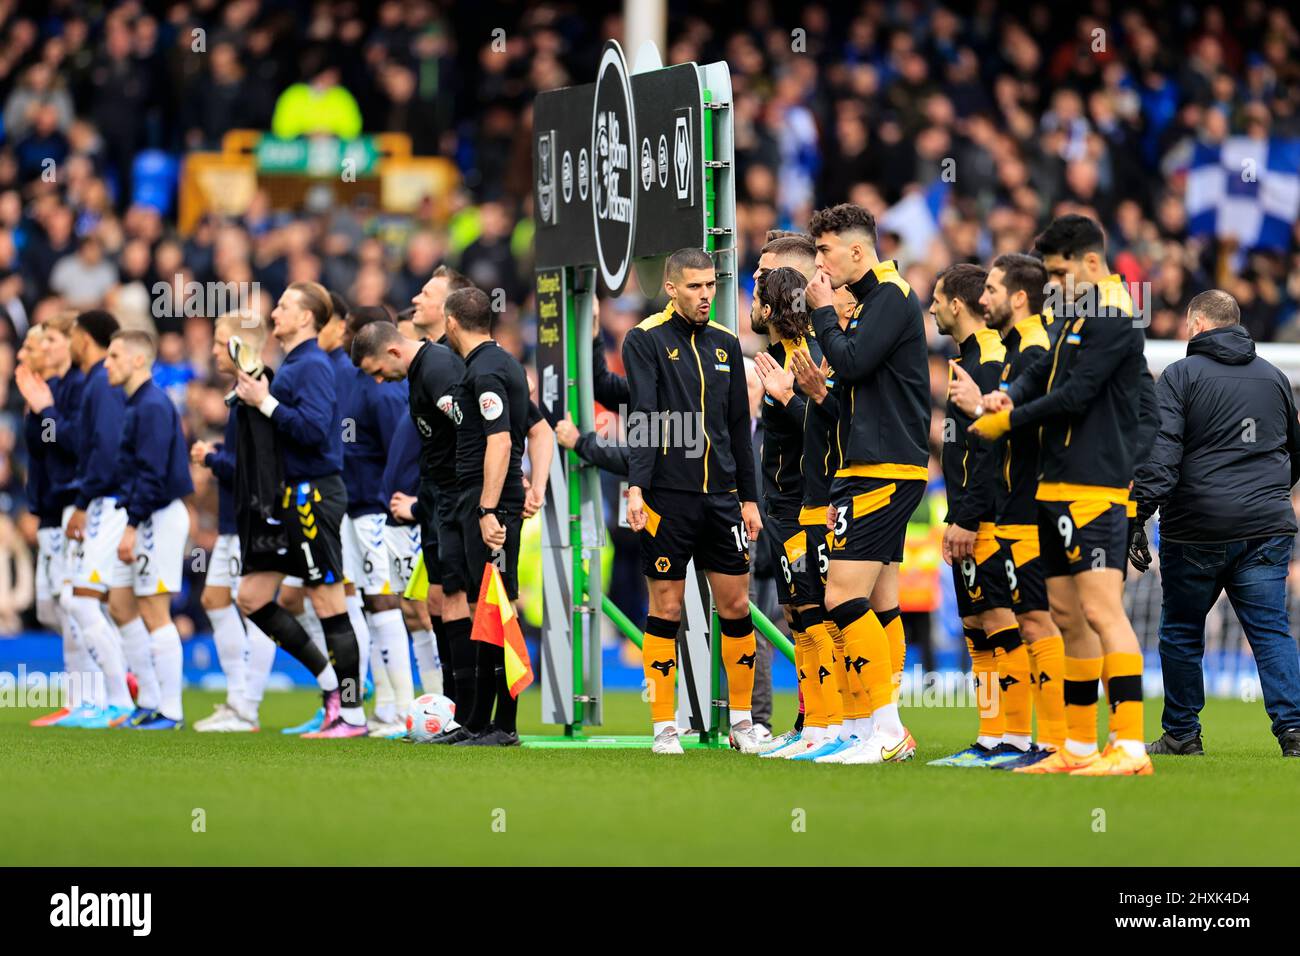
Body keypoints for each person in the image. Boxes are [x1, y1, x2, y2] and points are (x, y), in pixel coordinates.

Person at [958, 214, 1155, 776]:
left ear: (1092, 263)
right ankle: (1076, 746)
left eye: (1062, 273)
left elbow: (1076, 394)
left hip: (1095, 488)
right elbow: (1044, 371)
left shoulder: (1115, 316)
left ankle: (1131, 746)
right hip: (1056, 487)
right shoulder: (1077, 315)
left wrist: (1010, 419)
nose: (1055, 285)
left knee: (1101, 610)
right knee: (1067, 616)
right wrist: (1007, 396)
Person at [1132, 290, 1300, 758]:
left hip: (1198, 529)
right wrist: (1266, 496)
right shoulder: (1274, 378)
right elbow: (1295, 451)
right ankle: (1295, 731)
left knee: (1182, 630)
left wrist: (1137, 515)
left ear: (1198, 323)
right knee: (1270, 631)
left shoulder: (1180, 377)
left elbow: (1161, 458)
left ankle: (1183, 733)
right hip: (1266, 527)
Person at [623, 248, 762, 755]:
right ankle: (664, 725)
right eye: (696, 287)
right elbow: (643, 416)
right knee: (667, 607)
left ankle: (743, 722)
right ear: (671, 287)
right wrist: (636, 488)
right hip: (667, 498)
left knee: (737, 605)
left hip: (722, 500)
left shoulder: (727, 343)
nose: (706, 295)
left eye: (711, 286)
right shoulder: (644, 340)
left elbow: (737, 433)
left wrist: (749, 499)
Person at [806, 203, 928, 764]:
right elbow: (853, 386)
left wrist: (825, 315)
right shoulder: (877, 299)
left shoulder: (891, 295)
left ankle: (887, 727)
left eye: (825, 251)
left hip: (884, 467)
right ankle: (868, 730)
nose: (820, 265)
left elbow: (851, 364)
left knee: (839, 595)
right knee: (879, 602)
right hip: (871, 463)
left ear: (857, 250)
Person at [233, 280, 368, 738]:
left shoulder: (311, 365)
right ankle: (333, 688)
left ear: (306, 318)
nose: (275, 313)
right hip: (291, 497)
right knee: (251, 597)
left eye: (284, 306)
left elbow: (313, 430)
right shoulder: (294, 364)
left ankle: (352, 714)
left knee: (328, 600)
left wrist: (263, 401)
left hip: (314, 496)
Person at [926, 263, 1035, 769]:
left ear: (957, 305)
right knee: (976, 627)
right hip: (968, 514)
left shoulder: (991, 360)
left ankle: (1017, 737)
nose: (930, 308)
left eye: (937, 299)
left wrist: (967, 516)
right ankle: (992, 738)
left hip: (988, 518)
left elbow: (992, 450)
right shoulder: (967, 357)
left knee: (999, 623)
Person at [751, 265, 852, 761]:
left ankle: (834, 725)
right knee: (797, 615)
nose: (750, 303)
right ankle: (815, 722)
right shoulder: (774, 357)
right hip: (782, 504)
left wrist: (788, 396)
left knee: (816, 616)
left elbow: (832, 424)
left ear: (769, 310)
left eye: (755, 294)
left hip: (806, 503)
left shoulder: (807, 359)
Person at [351, 314, 471, 734]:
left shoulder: (436, 369)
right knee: (434, 605)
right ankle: (450, 711)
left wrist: (454, 498)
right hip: (436, 506)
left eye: (378, 371)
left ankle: (468, 714)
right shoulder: (419, 375)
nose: (380, 381)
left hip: (455, 505)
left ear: (392, 351)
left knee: (450, 604)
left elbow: (469, 428)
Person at [444, 286, 552, 745]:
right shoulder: (504, 363)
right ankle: (477, 722)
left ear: (451, 323)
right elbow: (541, 429)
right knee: (485, 608)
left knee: (497, 607)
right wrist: (539, 488)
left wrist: (489, 509)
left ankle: (503, 725)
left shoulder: (485, 372)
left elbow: (502, 441)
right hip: (500, 498)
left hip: (489, 501)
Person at [980, 253, 1068, 768]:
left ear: (1017, 297)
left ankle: (1057, 742)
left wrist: (982, 410)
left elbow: (1040, 422)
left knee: (1039, 621)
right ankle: (1045, 740)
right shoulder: (1019, 348)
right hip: (1014, 505)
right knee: (1030, 620)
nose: (983, 299)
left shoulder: (1036, 347)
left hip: (1033, 504)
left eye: (991, 289)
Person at [103, 330, 196, 729]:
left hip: (156, 515)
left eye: (114, 355)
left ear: (138, 360)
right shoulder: (137, 403)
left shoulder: (153, 405)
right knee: (121, 604)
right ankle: (150, 700)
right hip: (141, 515)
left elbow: (154, 473)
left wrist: (134, 525)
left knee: (156, 610)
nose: (107, 363)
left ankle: (170, 710)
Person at [190, 312, 278, 732]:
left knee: (255, 606)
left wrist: (211, 458)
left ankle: (247, 705)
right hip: (235, 517)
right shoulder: (240, 390)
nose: (211, 349)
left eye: (218, 341)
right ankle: (239, 699)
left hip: (252, 516)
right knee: (215, 599)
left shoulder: (254, 389)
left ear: (238, 346)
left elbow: (251, 465)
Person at [15, 319, 100, 726]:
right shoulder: (59, 388)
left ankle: (92, 695)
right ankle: (97, 687)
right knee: (56, 608)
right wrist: (38, 409)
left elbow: (67, 442)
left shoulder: (78, 387)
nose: (41, 348)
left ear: (71, 343)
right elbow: (42, 444)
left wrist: (45, 410)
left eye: (50, 339)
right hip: (52, 507)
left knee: (75, 605)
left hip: (72, 504)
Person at [60, 309, 137, 729]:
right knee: (92, 602)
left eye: (72, 335)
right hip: (103, 501)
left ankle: (120, 698)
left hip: (109, 502)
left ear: (85, 338)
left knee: (84, 601)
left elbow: (105, 449)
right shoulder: (95, 383)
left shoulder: (101, 386)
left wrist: (84, 499)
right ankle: (122, 694)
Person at [339, 305, 412, 737]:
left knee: (386, 602)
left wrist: (394, 505)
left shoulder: (382, 391)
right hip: (356, 506)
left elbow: (398, 452)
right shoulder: (359, 382)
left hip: (376, 511)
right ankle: (385, 704)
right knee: (369, 602)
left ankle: (402, 708)